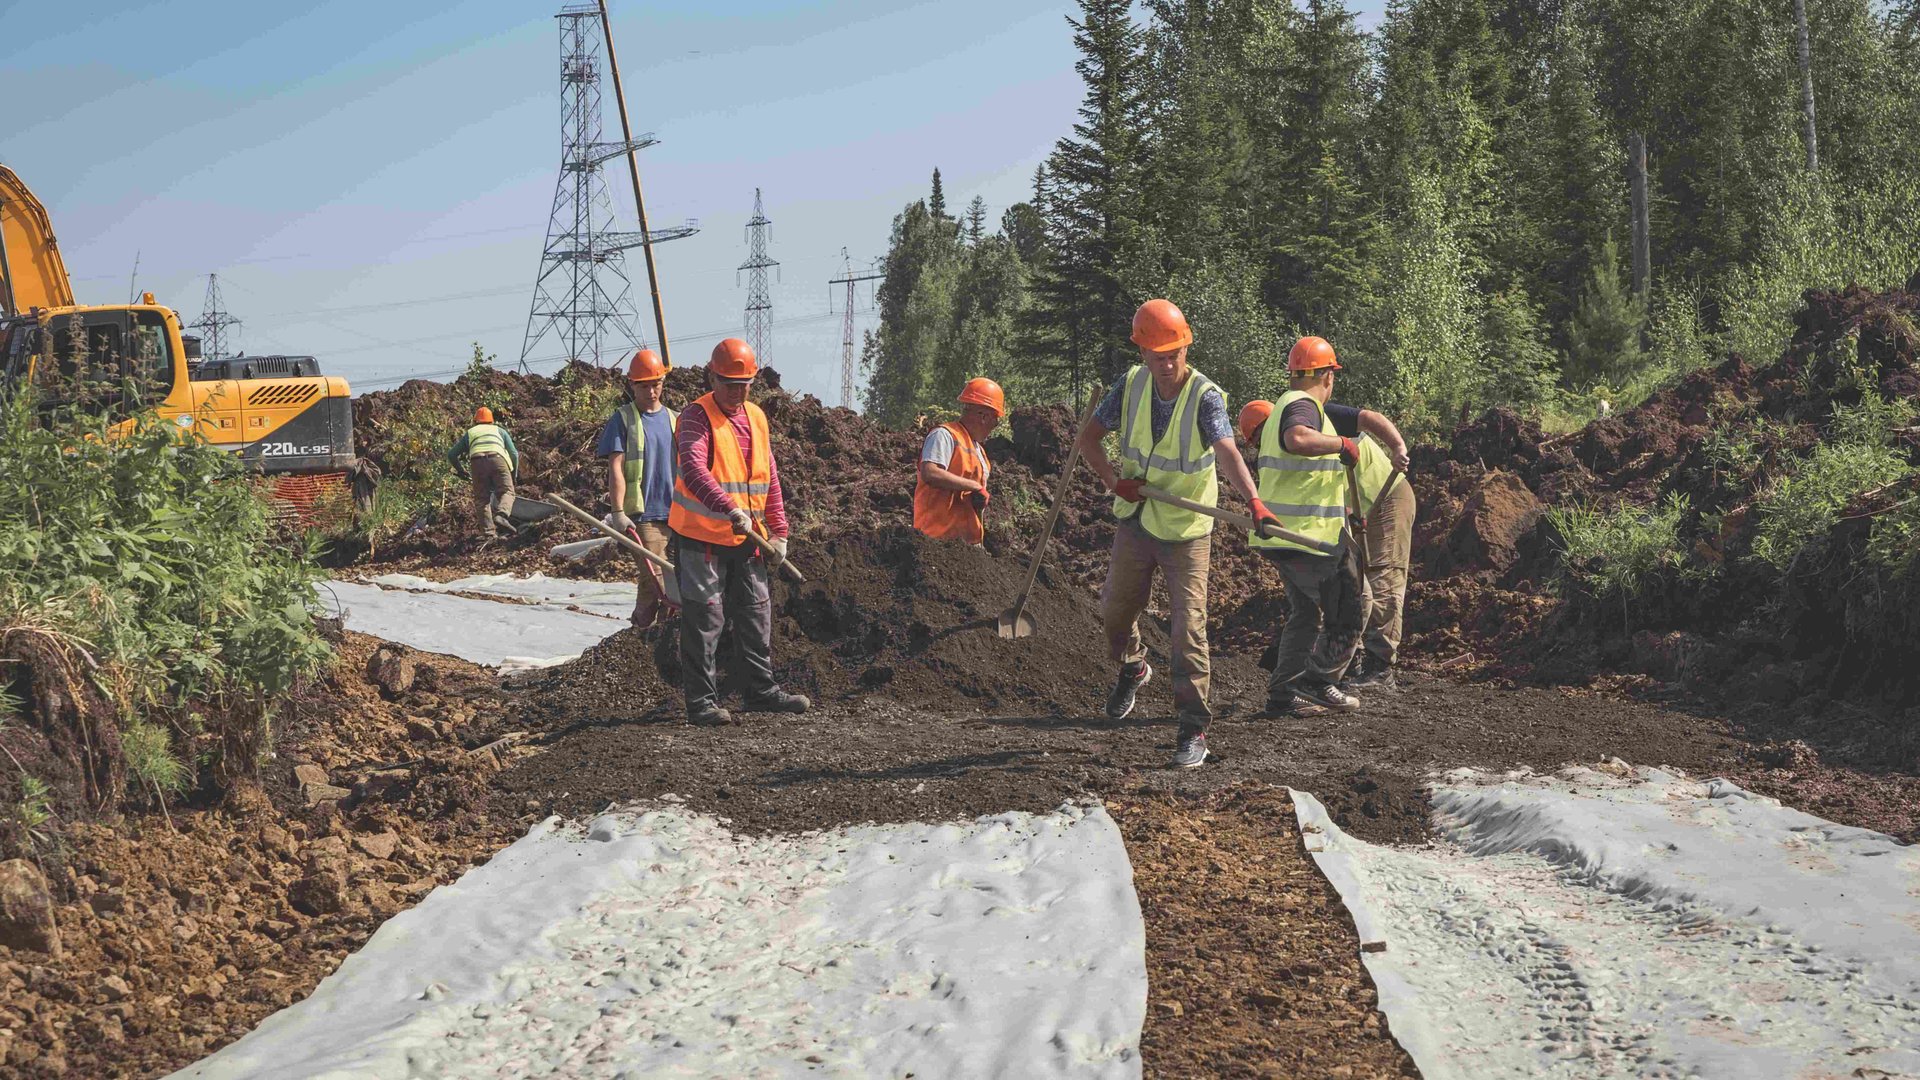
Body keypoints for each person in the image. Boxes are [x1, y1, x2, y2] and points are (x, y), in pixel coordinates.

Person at [1076, 299, 1279, 769]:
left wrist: (1254, 501)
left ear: (1186, 347)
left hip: (1187, 531)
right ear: (1142, 353)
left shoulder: (1205, 396)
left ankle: (1193, 728)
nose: (1167, 364)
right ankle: (1133, 666)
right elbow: (1089, 438)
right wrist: (1113, 482)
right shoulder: (1128, 386)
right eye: (1158, 355)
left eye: (1175, 354)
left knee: (1187, 629)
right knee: (1113, 613)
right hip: (1137, 518)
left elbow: (1227, 449)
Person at [1250, 335, 1408, 715]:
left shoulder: (1288, 407)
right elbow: (1297, 438)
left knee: (1306, 614)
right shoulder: (1301, 406)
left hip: (1283, 534)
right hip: (1308, 537)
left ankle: (1283, 696)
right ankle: (1319, 679)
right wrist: (1341, 445)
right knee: (1356, 603)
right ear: (1326, 376)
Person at [667, 338, 809, 726]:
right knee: (705, 617)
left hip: (749, 537)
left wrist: (779, 531)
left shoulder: (757, 417)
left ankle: (760, 692)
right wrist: (729, 508)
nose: (736, 390)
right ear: (712, 376)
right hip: (701, 536)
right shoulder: (696, 416)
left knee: (755, 613)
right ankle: (701, 704)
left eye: (744, 383)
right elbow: (694, 471)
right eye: (729, 382)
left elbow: (770, 476)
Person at [596, 348, 678, 628]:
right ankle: (640, 631)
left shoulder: (676, 420)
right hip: (644, 514)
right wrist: (618, 511)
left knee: (675, 582)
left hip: (678, 514)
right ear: (632, 385)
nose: (651, 391)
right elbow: (616, 467)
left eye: (656, 384)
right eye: (644, 386)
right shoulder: (624, 419)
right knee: (653, 578)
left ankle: (662, 638)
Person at [1332, 416, 1415, 690]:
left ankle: (1381, 668)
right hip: (1358, 509)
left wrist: (1398, 446)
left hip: (1388, 496)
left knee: (1383, 578)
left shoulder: (1321, 413)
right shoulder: (1292, 435)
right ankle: (1352, 659)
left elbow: (1369, 417)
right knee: (1354, 579)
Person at [914, 377, 1004, 544]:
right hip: (934, 541)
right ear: (984, 416)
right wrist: (973, 486)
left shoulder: (979, 453)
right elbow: (930, 472)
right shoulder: (944, 436)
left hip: (964, 546)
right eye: (996, 420)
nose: (995, 426)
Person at [446, 406, 518, 536]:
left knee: (481, 499)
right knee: (507, 491)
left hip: (476, 462)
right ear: (491, 421)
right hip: (497, 460)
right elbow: (514, 454)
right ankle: (502, 514)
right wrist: (514, 474)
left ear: (475, 421)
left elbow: (451, 454)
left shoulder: (471, 433)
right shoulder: (499, 431)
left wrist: (461, 471)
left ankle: (489, 533)